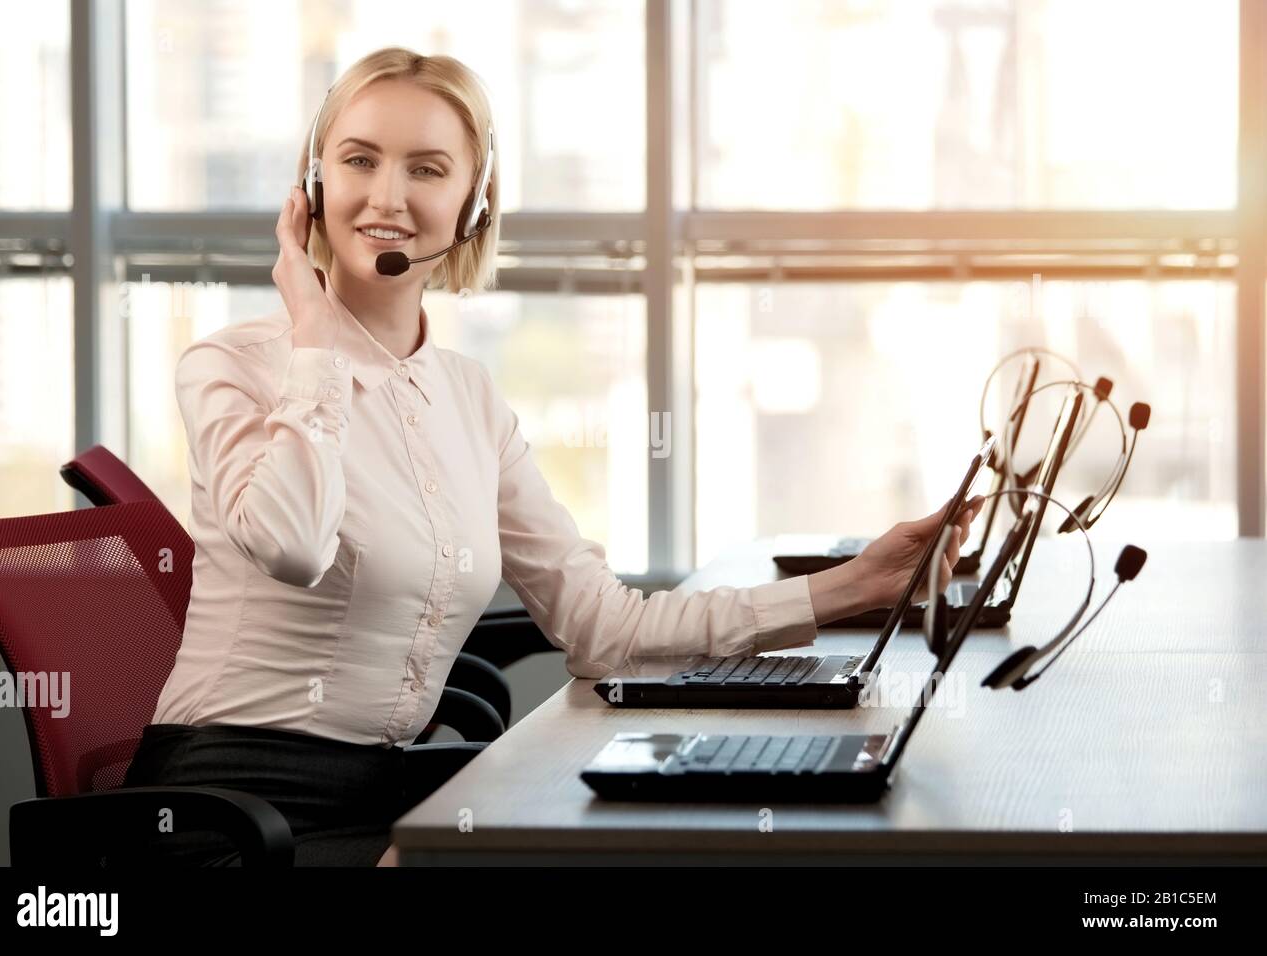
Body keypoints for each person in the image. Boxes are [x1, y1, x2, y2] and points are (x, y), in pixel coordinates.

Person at [121, 46, 983, 867]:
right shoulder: (235, 366)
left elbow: (605, 629)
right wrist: (314, 340)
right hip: (228, 816)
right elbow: (293, 545)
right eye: (357, 159)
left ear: (474, 203)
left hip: (389, 791)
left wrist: (854, 587)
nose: (387, 194)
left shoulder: (466, 398)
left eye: (427, 168)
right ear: (313, 184)